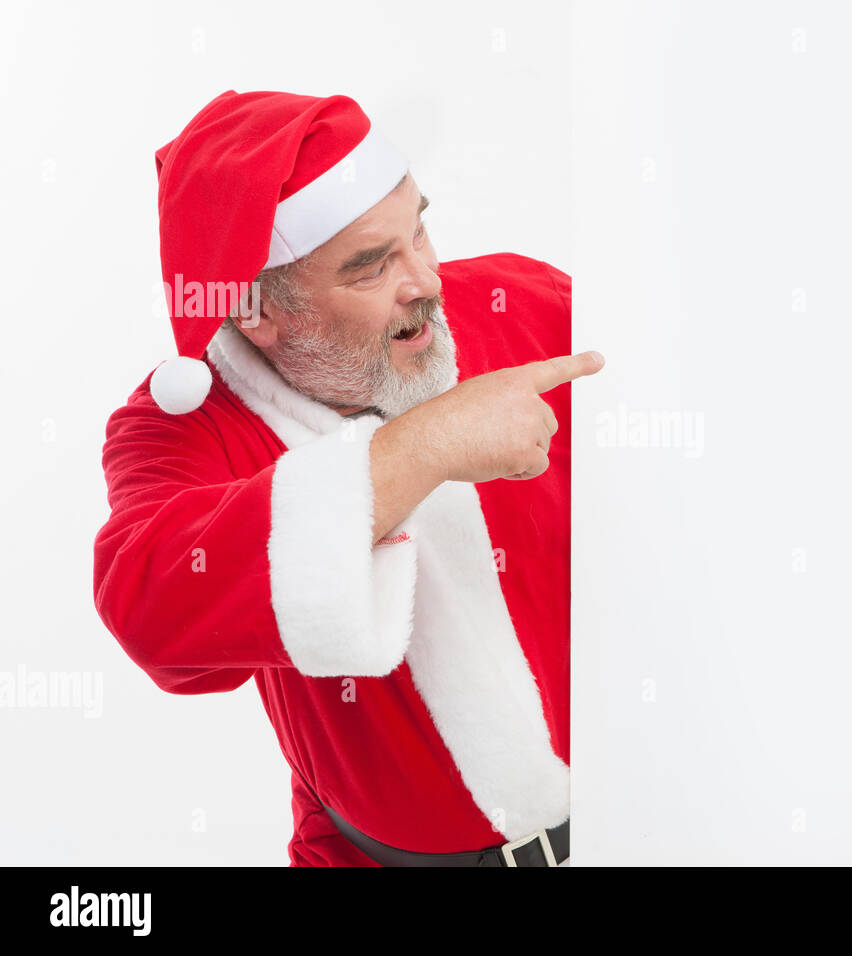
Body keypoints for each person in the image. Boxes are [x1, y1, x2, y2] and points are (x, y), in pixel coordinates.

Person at [91, 89, 603, 866]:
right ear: (257, 308)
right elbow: (153, 612)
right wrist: (424, 446)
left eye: (418, 229)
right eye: (371, 268)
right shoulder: (182, 428)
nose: (426, 281)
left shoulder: (526, 303)